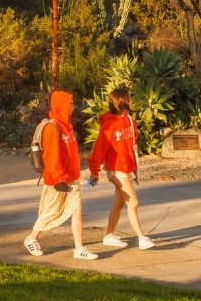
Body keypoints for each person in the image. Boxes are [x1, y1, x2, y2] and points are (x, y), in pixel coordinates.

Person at [24, 89, 96, 260]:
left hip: (70, 177)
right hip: (57, 179)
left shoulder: (67, 125)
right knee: (51, 211)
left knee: (77, 210)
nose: (72, 107)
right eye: (69, 104)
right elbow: (51, 156)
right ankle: (31, 238)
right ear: (60, 106)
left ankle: (79, 248)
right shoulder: (52, 128)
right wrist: (59, 179)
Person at [88, 85, 154, 249]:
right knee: (133, 203)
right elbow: (99, 149)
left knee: (118, 204)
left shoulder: (129, 120)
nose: (132, 101)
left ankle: (109, 236)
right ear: (122, 102)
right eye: (129, 98)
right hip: (116, 170)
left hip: (126, 168)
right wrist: (94, 170)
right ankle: (141, 238)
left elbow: (133, 139)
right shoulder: (109, 125)